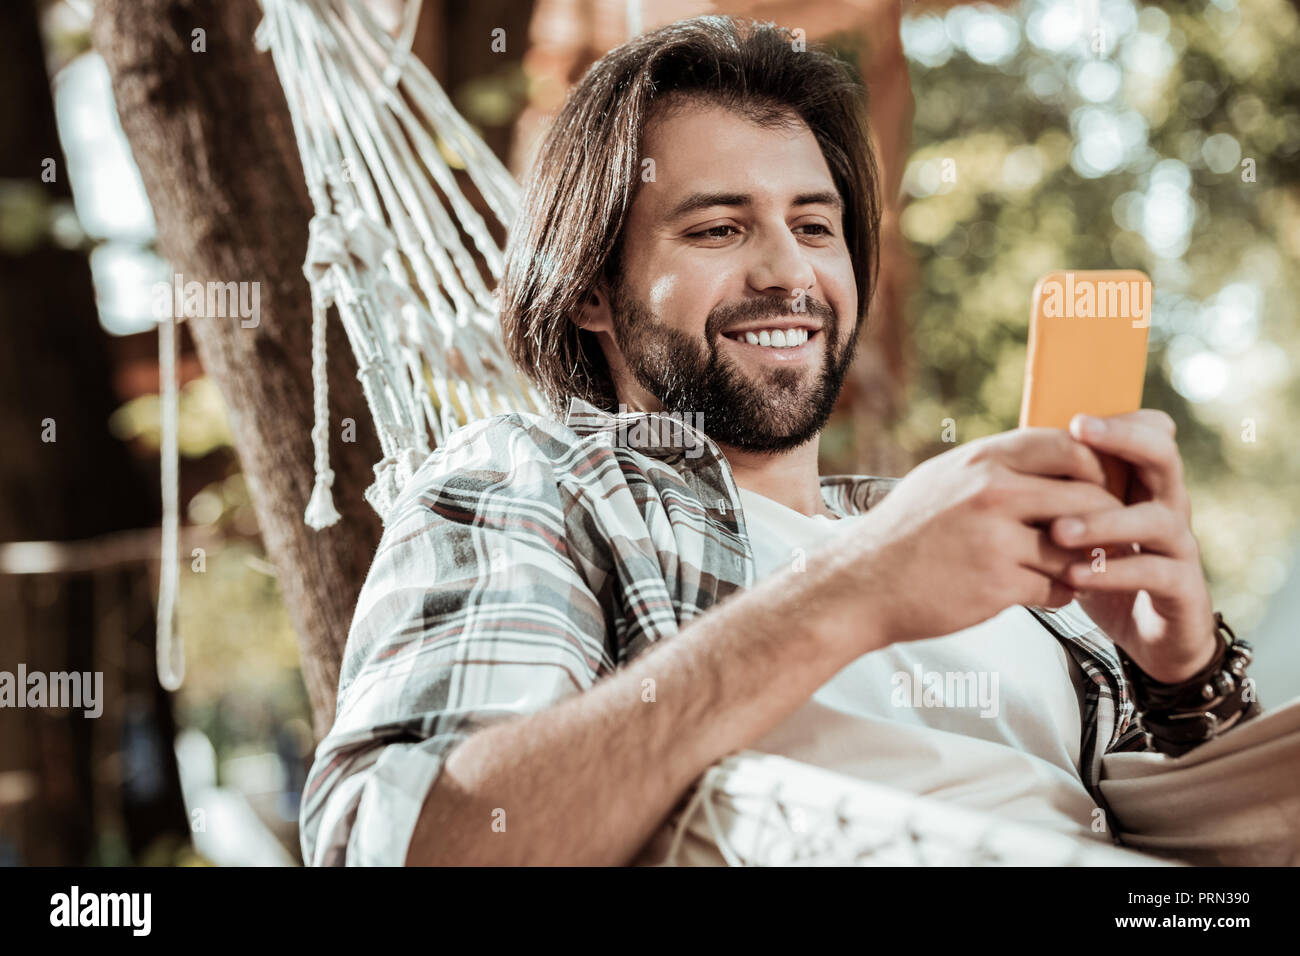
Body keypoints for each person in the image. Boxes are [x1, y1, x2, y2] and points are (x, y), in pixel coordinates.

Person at [299, 15, 1260, 867]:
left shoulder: (955, 531)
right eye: (719, 229)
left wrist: (1184, 676)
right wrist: (860, 591)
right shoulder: (539, 485)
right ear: (591, 288)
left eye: (814, 223)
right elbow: (410, 843)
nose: (787, 271)